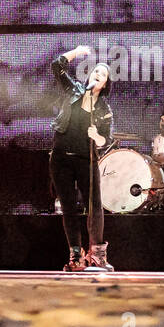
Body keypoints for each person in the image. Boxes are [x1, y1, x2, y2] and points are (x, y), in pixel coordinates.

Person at [50, 46, 114, 272]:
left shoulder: (105, 109)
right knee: (68, 207)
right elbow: (57, 66)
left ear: (105, 84)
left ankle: (97, 255)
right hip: (61, 158)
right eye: (96, 70)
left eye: (103, 73)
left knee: (94, 206)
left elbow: (106, 140)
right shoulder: (73, 90)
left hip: (86, 160)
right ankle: (76, 257)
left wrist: (97, 136)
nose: (97, 73)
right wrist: (76, 52)